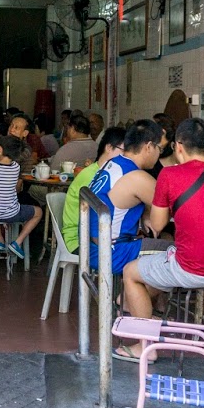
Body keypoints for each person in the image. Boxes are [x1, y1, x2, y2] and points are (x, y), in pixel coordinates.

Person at [127, 117, 204, 331]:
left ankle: (143, 343)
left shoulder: (169, 174)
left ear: (178, 146)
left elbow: (157, 224)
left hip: (191, 268)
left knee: (131, 272)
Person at [87, 120, 168, 293]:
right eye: (159, 149)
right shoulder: (137, 176)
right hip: (113, 251)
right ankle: (130, 303)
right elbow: (171, 208)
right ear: (148, 147)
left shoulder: (113, 163)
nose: (159, 155)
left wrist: (146, 212)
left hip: (91, 245)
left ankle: (150, 303)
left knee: (165, 241)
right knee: (178, 255)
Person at [61, 126, 126, 253]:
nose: (126, 157)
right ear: (108, 147)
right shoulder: (92, 175)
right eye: (124, 151)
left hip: (91, 236)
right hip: (78, 240)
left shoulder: (104, 173)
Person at [0, 134, 42, 263]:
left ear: (0, 149)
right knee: (38, 212)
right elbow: (4, 153)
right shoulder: (15, 168)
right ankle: (17, 242)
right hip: (10, 213)